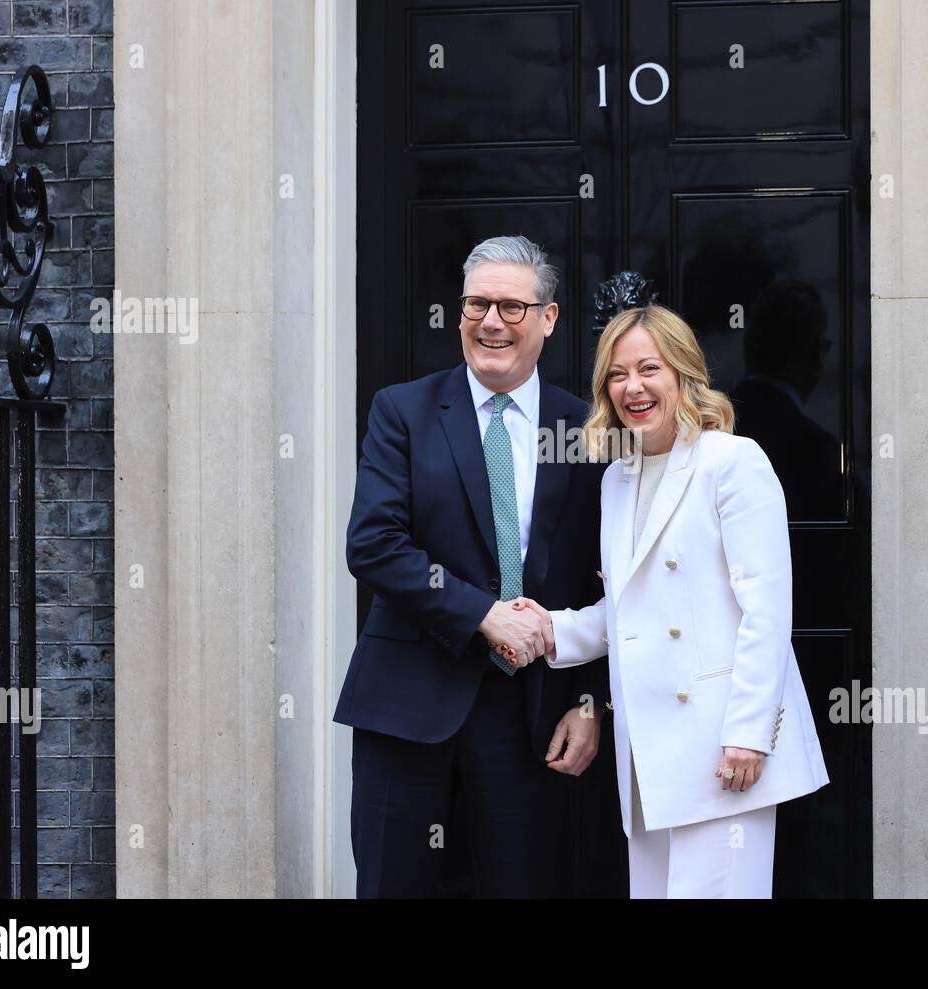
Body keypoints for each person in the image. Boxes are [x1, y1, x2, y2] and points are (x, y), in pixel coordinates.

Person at [504, 303, 829, 898]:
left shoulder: (732, 462)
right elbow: (631, 610)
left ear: (682, 372)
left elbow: (767, 610)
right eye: (618, 374)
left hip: (722, 746)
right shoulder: (617, 479)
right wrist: (552, 629)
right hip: (647, 754)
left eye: (649, 368)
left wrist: (751, 734)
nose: (634, 387)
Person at [334, 235, 608, 897]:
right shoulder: (403, 410)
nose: (491, 322)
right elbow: (372, 543)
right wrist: (482, 613)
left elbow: (603, 579)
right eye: (476, 305)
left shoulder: (586, 429)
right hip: (406, 710)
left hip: (530, 719)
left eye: (511, 308)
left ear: (548, 318)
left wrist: (589, 700)